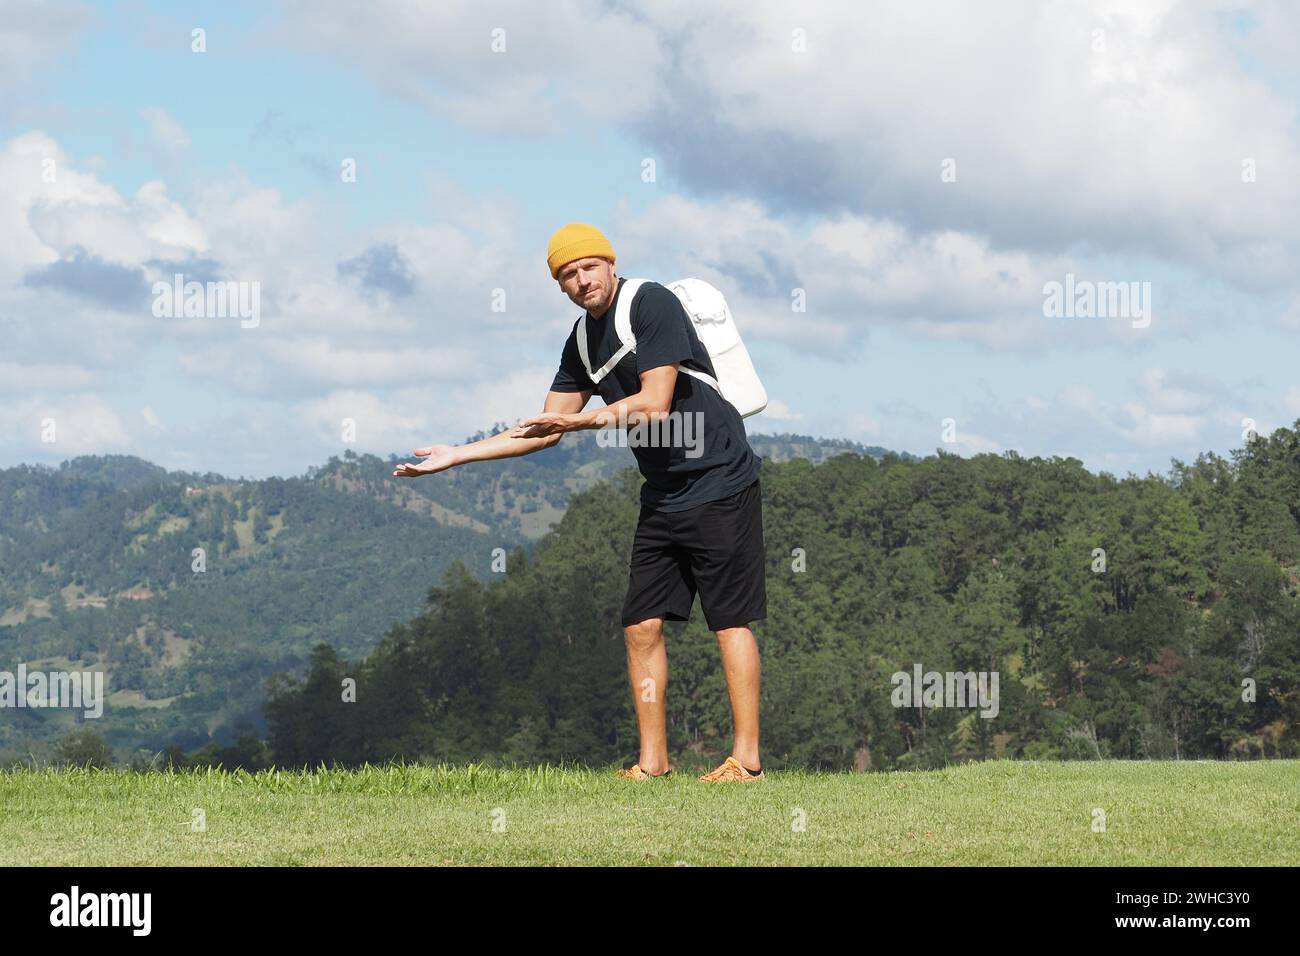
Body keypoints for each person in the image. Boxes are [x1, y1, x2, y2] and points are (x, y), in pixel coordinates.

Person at [394, 223, 767, 783]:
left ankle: (747, 761)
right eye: (568, 275)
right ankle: (653, 763)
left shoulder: (651, 303)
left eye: (588, 267)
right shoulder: (582, 340)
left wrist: (582, 419)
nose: (581, 279)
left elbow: (656, 403)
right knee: (641, 625)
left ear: (610, 264)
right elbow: (544, 428)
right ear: (561, 288)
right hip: (664, 493)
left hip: (721, 478)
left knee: (729, 621)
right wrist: (457, 454)